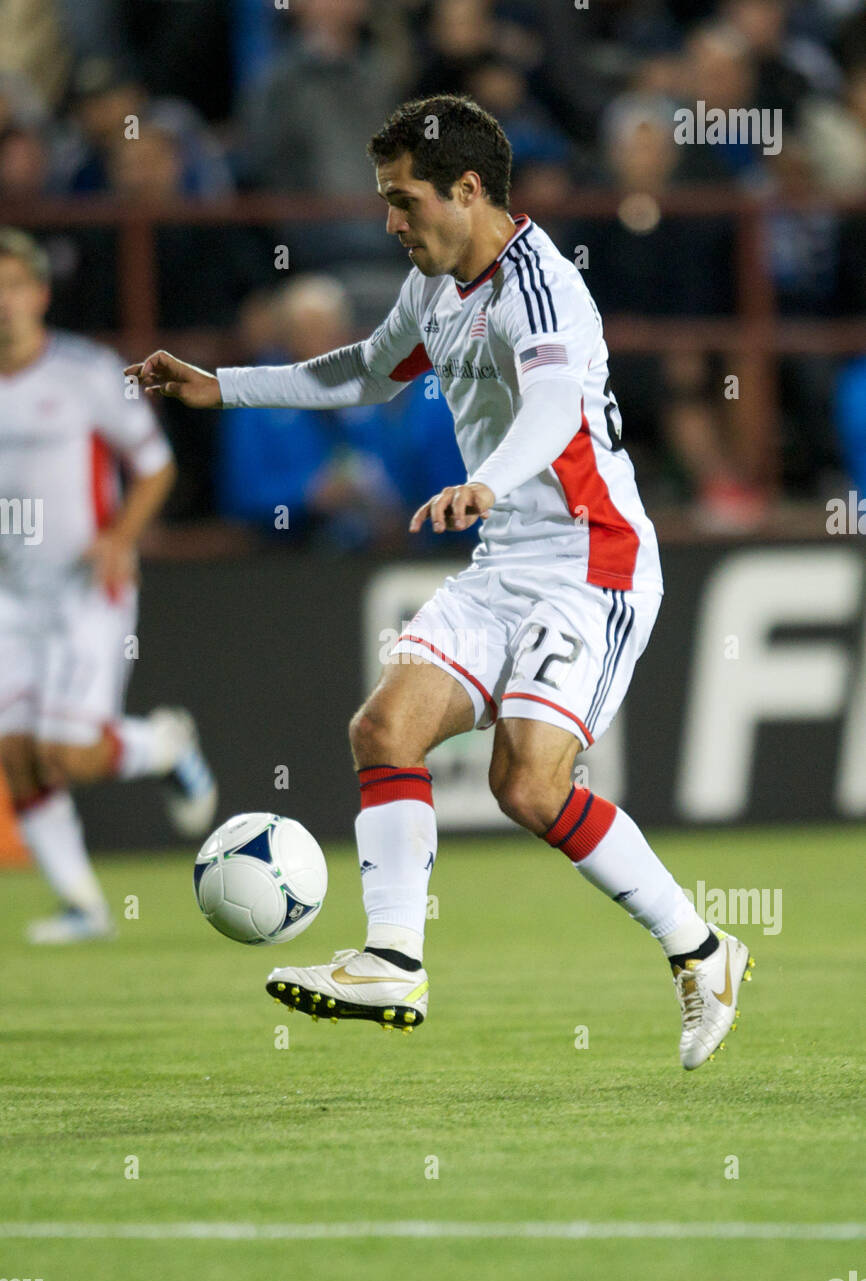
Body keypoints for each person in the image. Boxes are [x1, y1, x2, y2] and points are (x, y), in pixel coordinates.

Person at [126, 95, 754, 1070]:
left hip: (591, 561)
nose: (388, 222)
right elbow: (366, 374)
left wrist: (484, 481)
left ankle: (701, 948)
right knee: (384, 728)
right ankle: (392, 958)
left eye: (401, 201)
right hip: (505, 558)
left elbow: (550, 404)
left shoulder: (540, 287)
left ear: (467, 191)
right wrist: (224, 382)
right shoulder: (432, 286)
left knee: (527, 785)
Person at [0, 228, 218, 944]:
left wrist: (121, 538)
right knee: (15, 750)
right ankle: (85, 908)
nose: (3, 304)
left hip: (85, 585)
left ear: (39, 294)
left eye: (13, 288)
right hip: (10, 593)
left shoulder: (84, 373)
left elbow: (155, 465)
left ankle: (162, 745)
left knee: (65, 753)